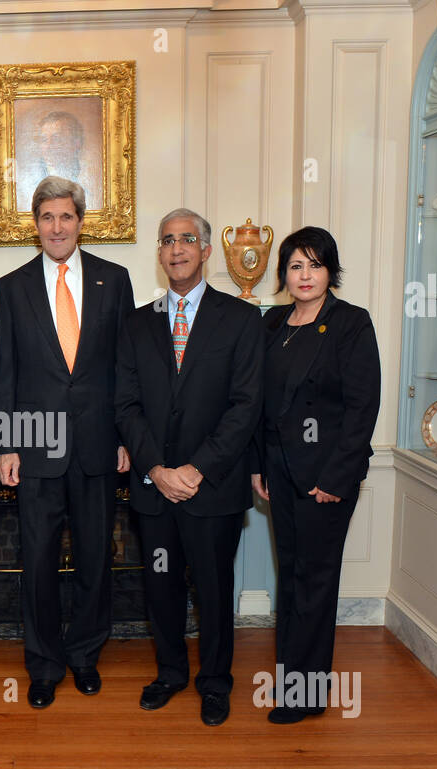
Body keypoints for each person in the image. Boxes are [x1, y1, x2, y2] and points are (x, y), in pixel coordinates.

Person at [115, 209, 263, 726]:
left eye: (187, 240)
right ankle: (170, 672)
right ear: (159, 253)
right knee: (161, 585)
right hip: (154, 489)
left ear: (205, 250)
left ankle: (215, 682)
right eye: (167, 240)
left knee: (213, 588)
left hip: (213, 488)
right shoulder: (136, 322)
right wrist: (156, 469)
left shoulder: (242, 319)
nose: (176, 249)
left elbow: (246, 406)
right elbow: (125, 404)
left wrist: (196, 470)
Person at [0, 176, 134, 708]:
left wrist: (126, 436)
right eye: (47, 218)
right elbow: (5, 371)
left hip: (98, 444)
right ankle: (45, 663)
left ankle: (85, 655)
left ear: (81, 221)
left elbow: (126, 368)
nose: (57, 227)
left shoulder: (114, 280)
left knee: (96, 558)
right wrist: (5, 445)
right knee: (39, 562)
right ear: (36, 226)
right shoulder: (12, 286)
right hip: (34, 449)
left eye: (66, 217)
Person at [247, 226, 381, 724]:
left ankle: (306, 695)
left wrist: (337, 477)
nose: (305, 275)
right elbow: (261, 405)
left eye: (315, 265)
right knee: (291, 579)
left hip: (326, 477)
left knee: (315, 582)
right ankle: (294, 684)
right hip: (279, 472)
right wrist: (259, 464)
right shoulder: (273, 324)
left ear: (331, 271)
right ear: (283, 274)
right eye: (295, 266)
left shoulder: (349, 324)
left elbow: (362, 408)